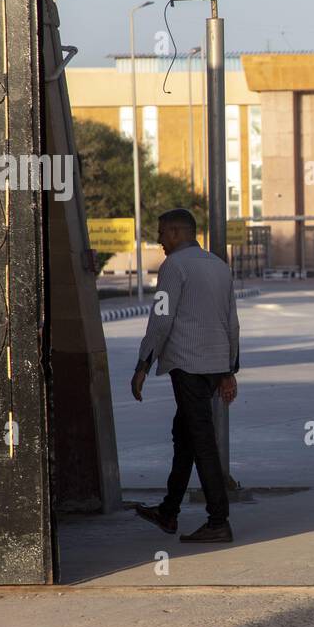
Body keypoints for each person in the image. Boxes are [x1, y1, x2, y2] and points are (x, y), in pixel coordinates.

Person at [131, 208, 239, 542]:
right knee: (186, 437)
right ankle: (169, 511)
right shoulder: (219, 265)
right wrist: (229, 370)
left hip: (188, 365)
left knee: (201, 440)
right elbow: (232, 321)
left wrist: (143, 365)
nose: (160, 240)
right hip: (213, 365)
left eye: (162, 233)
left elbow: (161, 319)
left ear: (177, 232)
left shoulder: (173, 267)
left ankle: (218, 521)